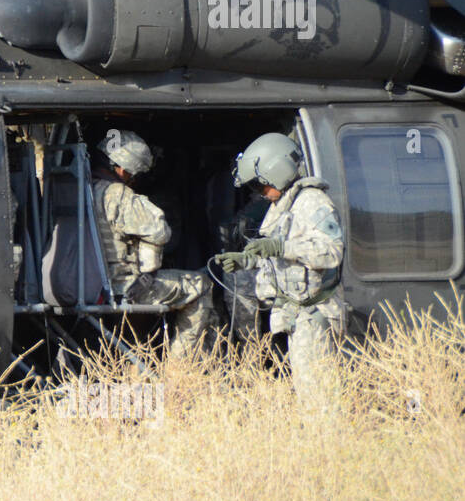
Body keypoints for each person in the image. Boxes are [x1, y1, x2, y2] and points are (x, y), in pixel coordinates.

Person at [215, 133, 345, 417]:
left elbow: (331, 251)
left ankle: (329, 450)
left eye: (261, 184)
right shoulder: (284, 206)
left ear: (277, 172)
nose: (260, 191)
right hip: (296, 316)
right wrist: (245, 260)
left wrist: (280, 246)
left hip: (315, 312)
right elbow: (277, 258)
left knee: (319, 399)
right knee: (307, 394)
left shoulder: (312, 202)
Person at [92, 129, 216, 357]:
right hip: (123, 286)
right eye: (133, 174)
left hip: (89, 285)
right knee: (201, 285)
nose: (134, 179)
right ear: (122, 168)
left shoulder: (83, 188)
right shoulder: (116, 193)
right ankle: (181, 368)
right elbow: (160, 230)